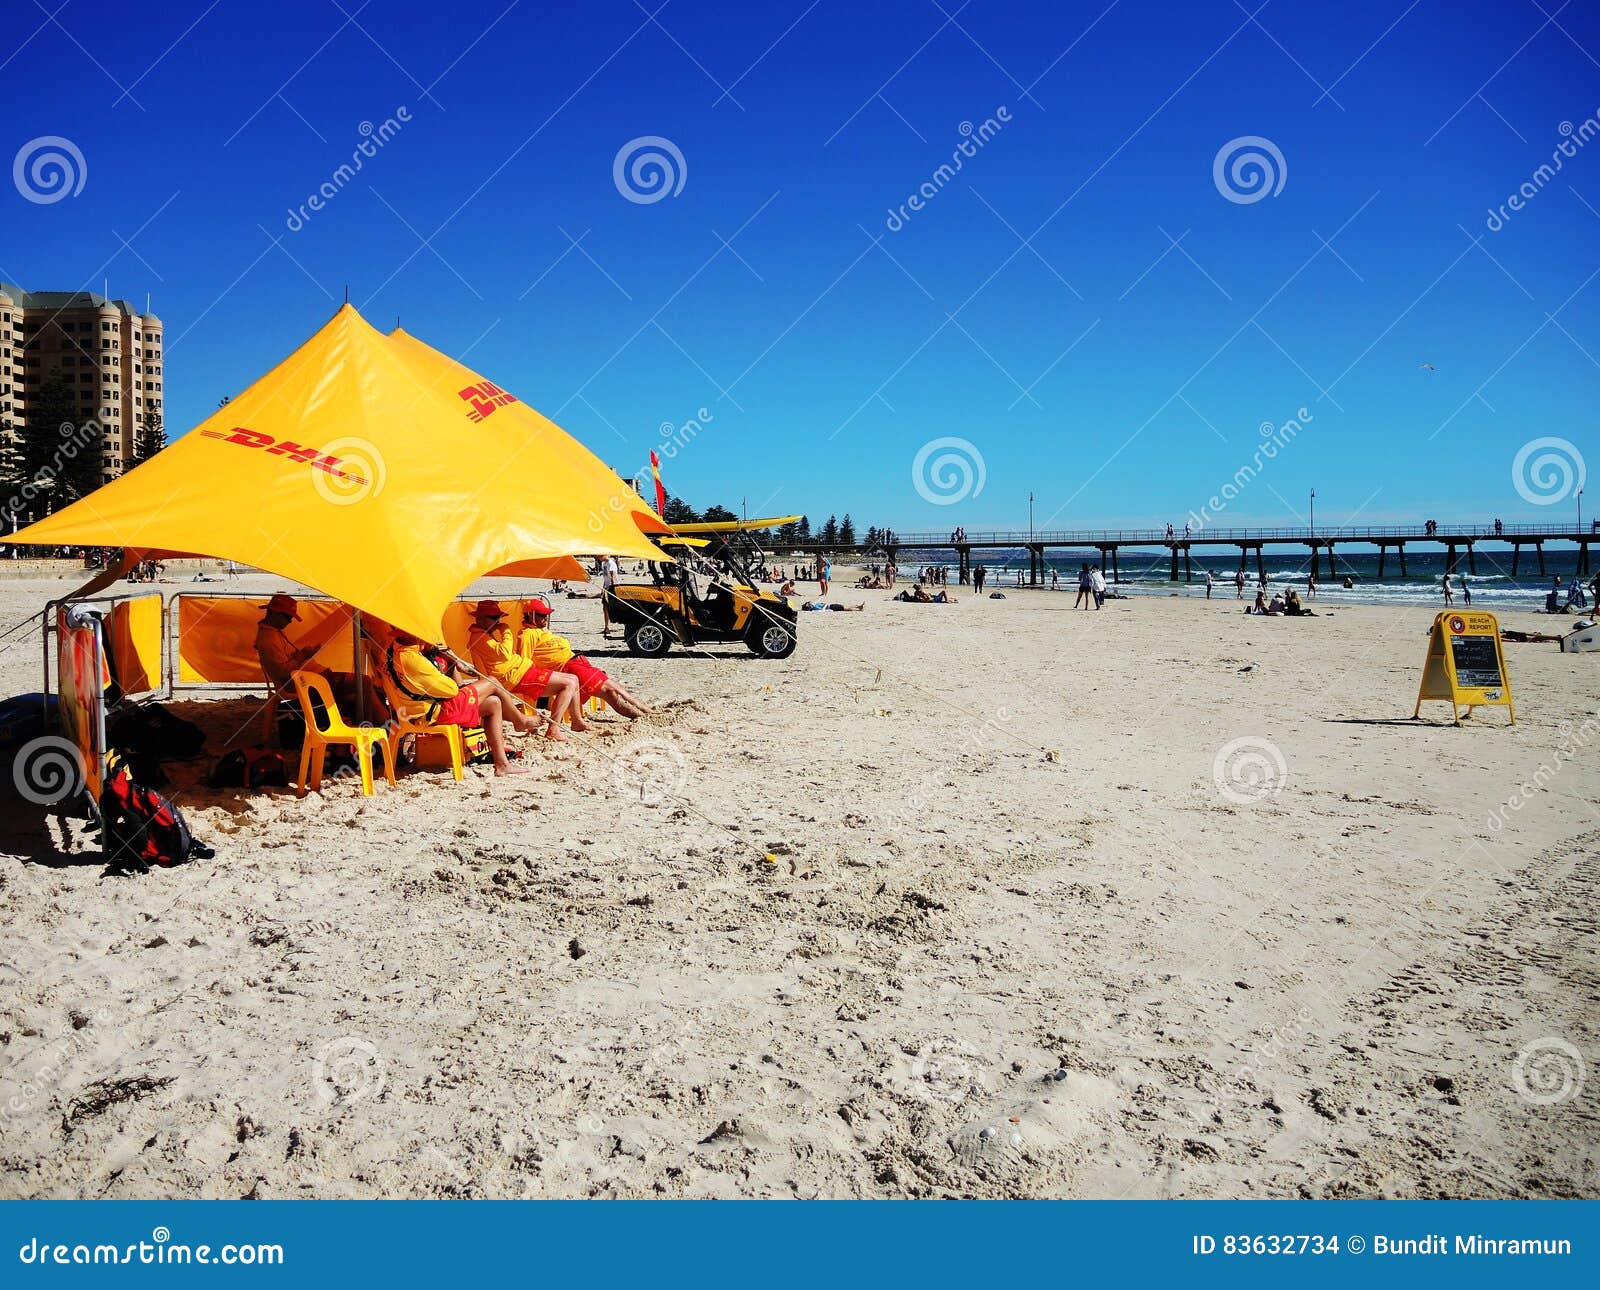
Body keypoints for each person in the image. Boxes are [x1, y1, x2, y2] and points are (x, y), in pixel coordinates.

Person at [377, 625, 543, 775]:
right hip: (432, 713)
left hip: (409, 711)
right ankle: (520, 720)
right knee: (492, 682)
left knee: (494, 703)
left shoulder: (389, 651)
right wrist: (505, 629)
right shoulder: (413, 660)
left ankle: (502, 764)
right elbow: (452, 689)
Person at [466, 601, 588, 737]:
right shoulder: (479, 637)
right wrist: (506, 630)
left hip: (519, 671)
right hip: (514, 676)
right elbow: (504, 653)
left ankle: (576, 721)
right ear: (480, 619)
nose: (498, 621)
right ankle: (553, 729)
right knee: (569, 683)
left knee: (573, 679)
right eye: (494, 618)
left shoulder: (484, 634)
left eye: (499, 618)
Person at [520, 596, 653, 718]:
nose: (546, 617)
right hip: (569, 667)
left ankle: (645, 713)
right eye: (542, 615)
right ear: (531, 615)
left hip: (578, 663)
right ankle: (644, 714)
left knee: (613, 690)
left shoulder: (540, 631)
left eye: (547, 615)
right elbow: (525, 662)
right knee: (610, 690)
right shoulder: (527, 635)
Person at [600, 554, 621, 637]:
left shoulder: (611, 563)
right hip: (606, 588)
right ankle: (606, 627)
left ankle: (609, 627)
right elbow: (605, 578)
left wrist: (612, 590)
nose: (599, 557)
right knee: (605, 608)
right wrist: (603, 588)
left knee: (612, 608)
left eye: (601, 556)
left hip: (612, 589)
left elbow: (613, 577)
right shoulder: (604, 564)